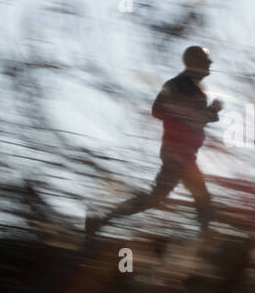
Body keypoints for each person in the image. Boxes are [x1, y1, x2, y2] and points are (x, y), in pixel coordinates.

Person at [85, 45, 223, 237]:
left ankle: (101, 219)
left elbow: (193, 118)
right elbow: (159, 109)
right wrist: (209, 112)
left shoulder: (194, 88)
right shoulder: (179, 84)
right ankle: (208, 239)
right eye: (205, 60)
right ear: (195, 62)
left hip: (183, 152)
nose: (210, 63)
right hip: (178, 152)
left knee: (157, 197)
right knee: (201, 196)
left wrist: (210, 112)